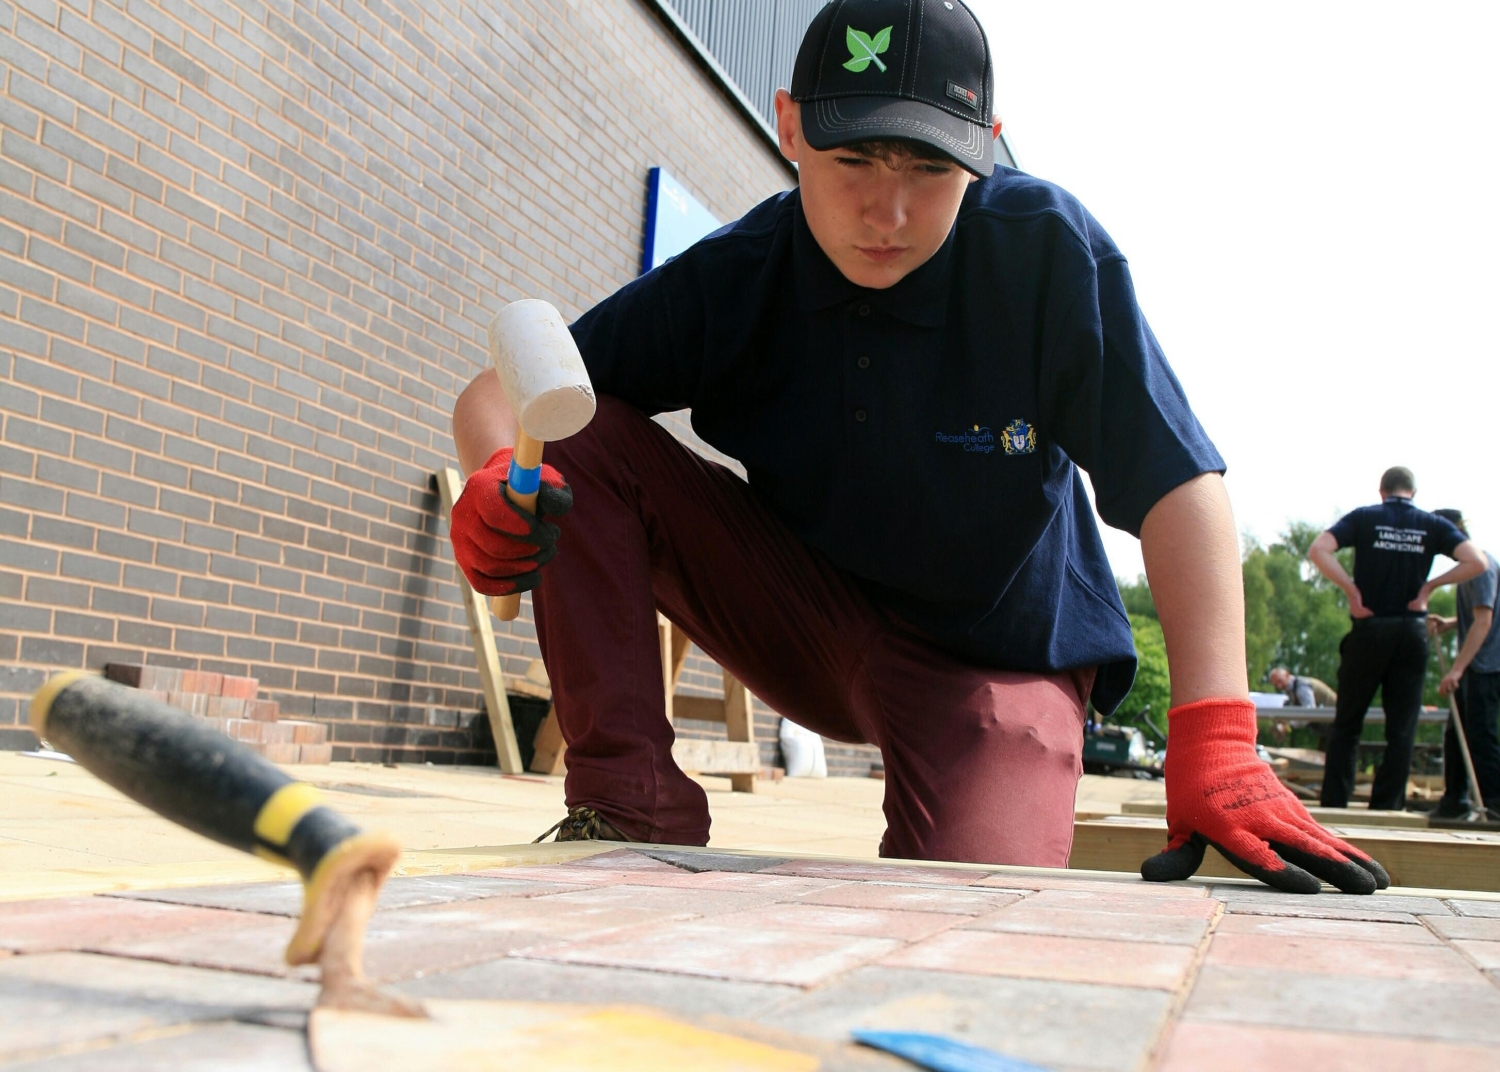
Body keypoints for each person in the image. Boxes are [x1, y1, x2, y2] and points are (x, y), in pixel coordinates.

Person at [449, 0, 1388, 894]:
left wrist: (1217, 734)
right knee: (582, 434)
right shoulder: (740, 279)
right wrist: (501, 474)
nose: (887, 213)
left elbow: (1180, 482)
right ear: (789, 127)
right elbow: (505, 390)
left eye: (929, 171)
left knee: (974, 900)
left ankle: (980, 805)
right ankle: (628, 805)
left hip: (998, 662)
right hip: (810, 621)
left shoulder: (1044, 254)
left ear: (982, 153)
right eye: (854, 158)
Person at [1308, 468, 1485, 810]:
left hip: (1369, 627)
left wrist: (1351, 589)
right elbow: (1475, 561)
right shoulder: (1430, 525)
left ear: (1382, 490)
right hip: (1411, 632)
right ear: (1413, 492)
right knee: (1402, 729)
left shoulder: (1365, 518)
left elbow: (1319, 549)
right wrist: (1430, 587)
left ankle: (1334, 806)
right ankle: (1387, 807)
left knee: (1347, 722)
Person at [1427, 509, 1500, 819]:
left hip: (1486, 665)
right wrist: (1451, 623)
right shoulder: (1469, 570)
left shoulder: (1480, 568)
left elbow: (1484, 622)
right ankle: (1455, 801)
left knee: (1480, 736)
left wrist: (1456, 669)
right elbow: (1477, 616)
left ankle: (1495, 806)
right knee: (1455, 735)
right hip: (1476, 663)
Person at [1268, 666, 1337, 707]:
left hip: (1338, 712)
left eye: (1280, 681)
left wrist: (1290, 726)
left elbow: (1310, 711)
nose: (1279, 686)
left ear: (1287, 675)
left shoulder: (1302, 686)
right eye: (1276, 684)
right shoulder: (1290, 691)